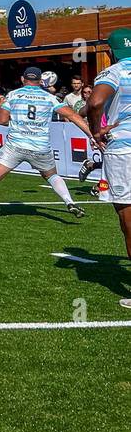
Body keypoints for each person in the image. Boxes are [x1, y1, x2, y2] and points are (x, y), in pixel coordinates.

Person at [0, 66, 93, 225]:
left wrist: (18, 122)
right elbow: (73, 115)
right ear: (40, 81)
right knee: (51, 175)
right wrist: (91, 135)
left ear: (23, 79)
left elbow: (1, 120)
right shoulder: (49, 98)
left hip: (15, 145)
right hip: (40, 147)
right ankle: (69, 201)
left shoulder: (12, 95)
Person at [84, 29, 131, 283]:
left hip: (124, 148)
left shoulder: (115, 71)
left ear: (110, 52)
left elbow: (95, 102)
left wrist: (95, 130)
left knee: (128, 217)